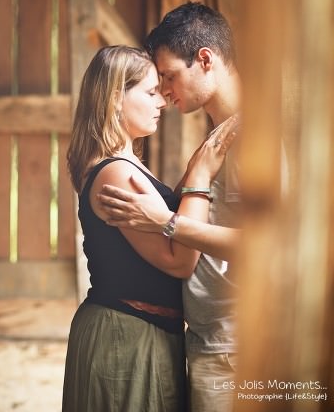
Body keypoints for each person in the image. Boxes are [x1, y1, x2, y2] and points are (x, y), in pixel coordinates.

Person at [61, 45, 236, 412]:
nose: (162, 102)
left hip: (141, 330)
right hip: (126, 335)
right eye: (151, 92)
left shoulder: (122, 165)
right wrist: (200, 177)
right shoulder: (116, 173)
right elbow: (179, 262)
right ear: (115, 99)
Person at [97, 2, 244, 411]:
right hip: (208, 338)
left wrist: (166, 222)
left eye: (168, 76)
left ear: (205, 59)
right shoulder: (216, 140)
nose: (162, 91)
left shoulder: (254, 141)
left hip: (236, 348)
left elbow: (275, 246)